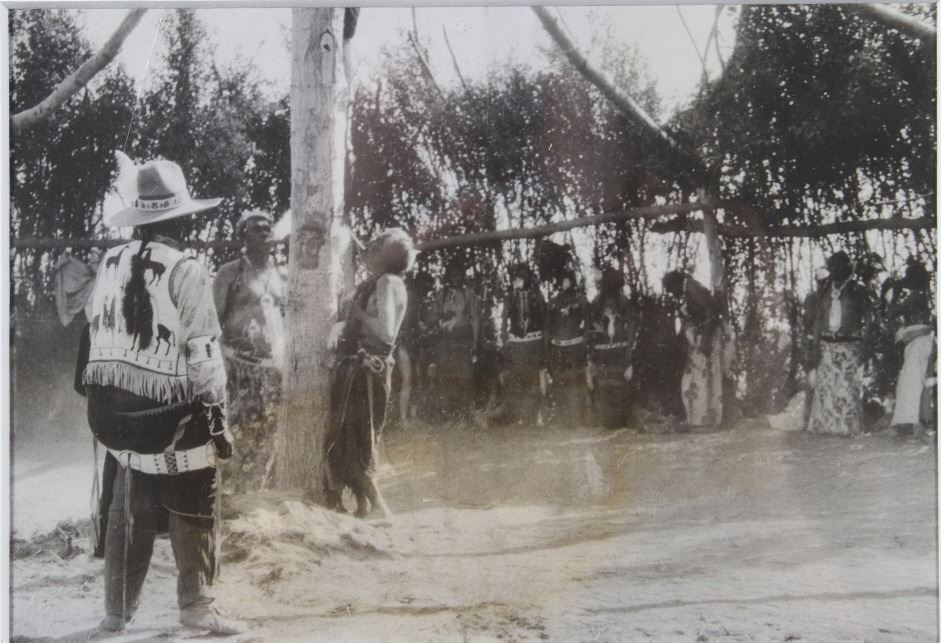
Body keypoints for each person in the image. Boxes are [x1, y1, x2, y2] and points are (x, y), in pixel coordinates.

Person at [82, 157, 242, 634]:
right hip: (168, 421)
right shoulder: (187, 269)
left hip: (112, 421)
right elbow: (204, 357)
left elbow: (91, 329)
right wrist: (219, 421)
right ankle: (196, 604)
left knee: (130, 483)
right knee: (199, 475)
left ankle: (117, 610)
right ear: (183, 220)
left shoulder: (110, 262)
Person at [322, 228, 414, 519]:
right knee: (352, 438)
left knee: (358, 441)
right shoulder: (379, 282)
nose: (370, 248)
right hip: (360, 370)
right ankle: (363, 506)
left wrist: (358, 315)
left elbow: (386, 334)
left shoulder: (387, 282)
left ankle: (379, 508)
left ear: (389, 255)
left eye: (377, 245)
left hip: (368, 372)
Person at [213, 210, 285, 490]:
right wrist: (222, 361)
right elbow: (213, 321)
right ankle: (231, 493)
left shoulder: (279, 275)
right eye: (257, 228)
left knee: (270, 433)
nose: (265, 232)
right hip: (238, 366)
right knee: (238, 430)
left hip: (273, 369)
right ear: (243, 236)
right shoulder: (229, 273)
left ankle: (255, 492)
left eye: (268, 228)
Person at [806, 250, 874, 436]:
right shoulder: (825, 290)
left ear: (847, 268)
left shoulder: (857, 289)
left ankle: (847, 428)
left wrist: (866, 345)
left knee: (847, 388)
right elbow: (818, 320)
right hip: (827, 345)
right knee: (826, 388)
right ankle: (826, 428)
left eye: (838, 266)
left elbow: (869, 319)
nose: (834, 270)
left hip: (850, 345)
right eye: (831, 266)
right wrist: (814, 348)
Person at [662, 270, 724, 430]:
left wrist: (706, 339)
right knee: (695, 379)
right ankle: (699, 419)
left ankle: (706, 420)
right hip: (699, 338)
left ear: (676, 284)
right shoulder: (685, 291)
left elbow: (712, 312)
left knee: (703, 379)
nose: (672, 293)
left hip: (709, 337)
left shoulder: (693, 287)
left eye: (671, 290)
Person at [424, 262, 481, 424]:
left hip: (463, 340)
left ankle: (464, 416)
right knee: (447, 377)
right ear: (447, 277)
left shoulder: (468, 294)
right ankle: (450, 416)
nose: (455, 278)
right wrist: (442, 318)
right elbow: (431, 317)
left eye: (458, 274)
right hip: (445, 342)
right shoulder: (441, 294)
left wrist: (475, 342)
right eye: (452, 274)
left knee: (465, 377)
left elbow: (475, 318)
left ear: (462, 276)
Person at [885, 259, 935, 437]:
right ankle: (913, 421)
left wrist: (895, 293)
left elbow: (892, 313)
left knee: (910, 382)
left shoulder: (915, 297)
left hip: (918, 342)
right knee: (914, 381)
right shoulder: (922, 296)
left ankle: (908, 422)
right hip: (919, 342)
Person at [587, 267, 640, 429]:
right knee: (609, 402)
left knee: (618, 401)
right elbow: (591, 331)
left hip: (616, 359)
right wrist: (591, 360)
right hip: (608, 360)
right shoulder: (598, 303)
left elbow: (632, 332)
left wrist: (630, 361)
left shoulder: (622, 303)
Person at [499, 262, 547, 425]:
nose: (519, 280)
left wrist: (544, 346)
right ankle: (519, 416)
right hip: (517, 344)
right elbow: (504, 322)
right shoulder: (509, 297)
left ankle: (536, 415)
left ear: (528, 278)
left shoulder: (537, 296)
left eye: (522, 276)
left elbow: (544, 322)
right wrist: (505, 343)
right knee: (518, 378)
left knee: (534, 378)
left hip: (534, 343)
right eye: (516, 277)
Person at [543, 268, 589, 426]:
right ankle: (561, 418)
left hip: (575, 347)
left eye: (567, 280)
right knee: (559, 381)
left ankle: (578, 418)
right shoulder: (553, 301)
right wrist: (548, 347)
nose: (564, 283)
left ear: (572, 281)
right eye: (562, 280)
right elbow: (547, 326)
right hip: (558, 348)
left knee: (575, 382)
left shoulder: (580, 300)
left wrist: (585, 343)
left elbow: (587, 323)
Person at [801, 267, 830, 428]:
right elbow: (807, 321)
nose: (823, 285)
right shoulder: (812, 298)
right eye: (821, 282)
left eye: (825, 282)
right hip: (814, 342)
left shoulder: (830, 298)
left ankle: (823, 419)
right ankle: (808, 420)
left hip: (828, 342)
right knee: (812, 381)